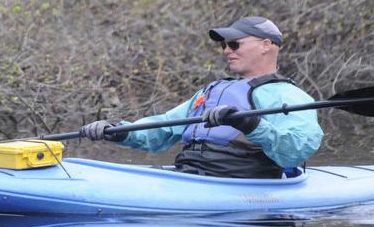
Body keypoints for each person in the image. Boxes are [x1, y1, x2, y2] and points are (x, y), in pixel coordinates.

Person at [80, 16, 323, 179]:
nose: (227, 50)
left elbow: (296, 151)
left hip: (241, 182)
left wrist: (250, 124)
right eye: (224, 46)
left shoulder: (288, 95)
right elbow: (162, 127)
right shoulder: (212, 91)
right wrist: (119, 131)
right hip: (189, 175)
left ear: (266, 45)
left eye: (235, 44)